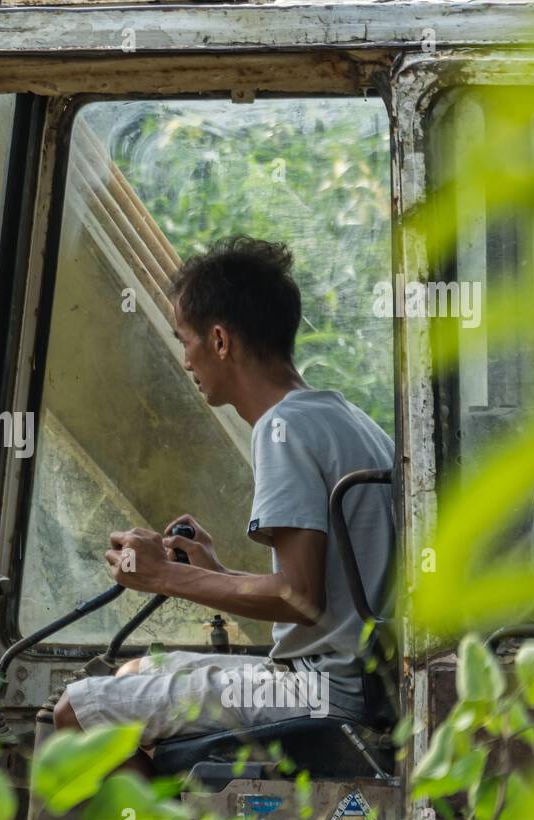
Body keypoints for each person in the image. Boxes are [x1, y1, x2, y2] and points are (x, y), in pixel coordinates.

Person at [54, 236, 396, 755]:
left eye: (184, 340)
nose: (185, 361)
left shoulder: (282, 428)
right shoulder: (343, 417)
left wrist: (162, 575)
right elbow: (326, 595)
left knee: (76, 713)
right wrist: (215, 573)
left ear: (219, 341)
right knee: (134, 670)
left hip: (319, 689)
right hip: (353, 680)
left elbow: (299, 599)